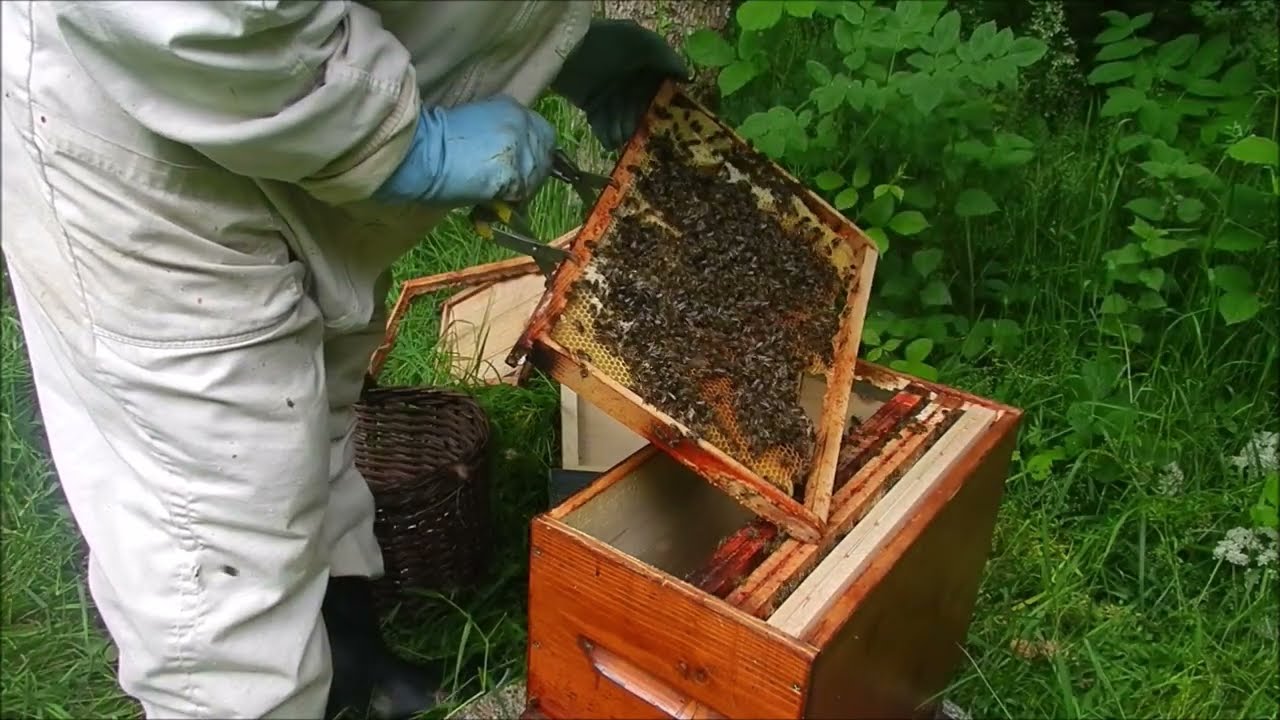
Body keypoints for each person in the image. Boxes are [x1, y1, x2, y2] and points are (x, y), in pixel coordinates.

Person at [0, 2, 687, 718]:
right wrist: (401, 149)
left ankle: (350, 675)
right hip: (156, 148)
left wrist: (544, 30)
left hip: (299, 101)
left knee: (315, 404)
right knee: (220, 547)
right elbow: (197, 19)